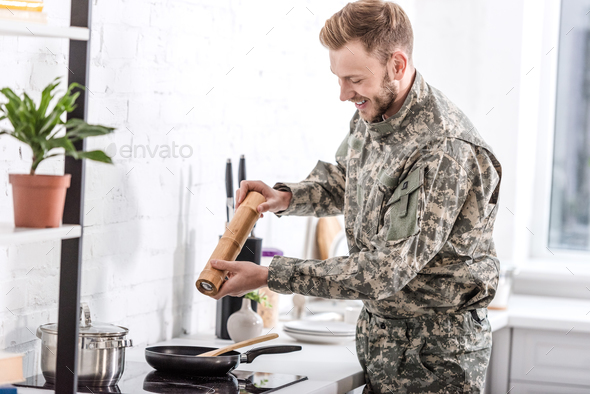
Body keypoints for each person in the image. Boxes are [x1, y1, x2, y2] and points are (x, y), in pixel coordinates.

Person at [209, 1, 502, 393]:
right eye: (339, 78)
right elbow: (345, 182)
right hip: (381, 343)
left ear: (397, 65)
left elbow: (385, 270)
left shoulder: (443, 149)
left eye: (355, 80)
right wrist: (284, 197)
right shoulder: (374, 111)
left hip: (435, 357)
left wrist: (269, 275)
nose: (344, 94)